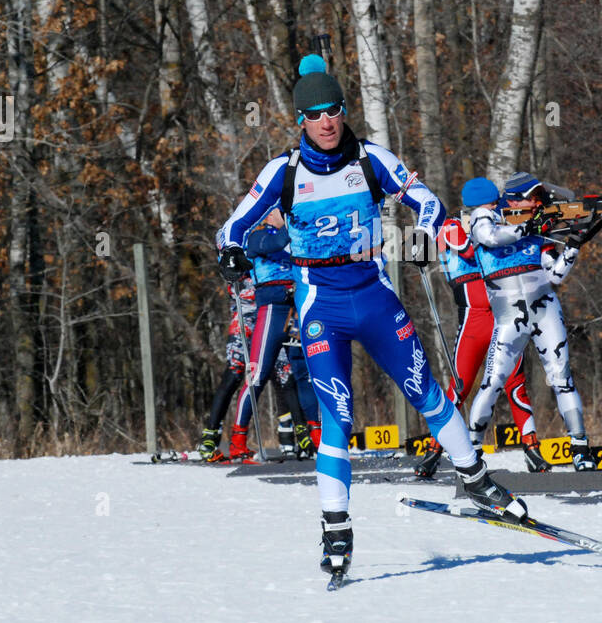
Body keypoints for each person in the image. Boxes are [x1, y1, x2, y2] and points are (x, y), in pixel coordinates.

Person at [216, 54, 527, 581]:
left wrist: (431, 224)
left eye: (334, 109)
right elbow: (232, 227)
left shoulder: (371, 161)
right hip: (321, 307)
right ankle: (336, 526)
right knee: (338, 417)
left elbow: (424, 199)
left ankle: (475, 478)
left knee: (426, 391)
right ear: (300, 120)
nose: (327, 121)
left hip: (374, 296)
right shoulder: (283, 172)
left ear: (343, 110)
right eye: (314, 114)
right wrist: (231, 251)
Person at [464, 173, 602, 471]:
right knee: (493, 382)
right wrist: (529, 226)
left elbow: (556, 275)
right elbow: (490, 237)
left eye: (539, 196)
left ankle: (580, 447)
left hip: (546, 310)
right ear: (512, 200)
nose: (536, 201)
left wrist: (575, 243)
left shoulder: (539, 228)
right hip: (508, 318)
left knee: (562, 379)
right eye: (530, 196)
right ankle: (471, 452)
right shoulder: (484, 218)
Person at [413, 211, 542, 477]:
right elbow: (466, 249)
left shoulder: (499, 229)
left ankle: (532, 448)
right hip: (473, 321)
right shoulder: (451, 226)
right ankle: (434, 450)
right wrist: (417, 245)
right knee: (458, 388)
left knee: (515, 384)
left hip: (503, 317)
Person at [225, 208, 320, 460]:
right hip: (272, 306)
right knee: (257, 373)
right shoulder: (256, 236)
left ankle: (318, 437)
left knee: (304, 372)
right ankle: (237, 440)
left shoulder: (295, 234)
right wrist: (287, 225)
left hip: (297, 303)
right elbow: (278, 242)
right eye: (279, 211)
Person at [196, 277, 258, 463]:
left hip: (274, 312)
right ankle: (210, 436)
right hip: (245, 317)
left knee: (283, 373)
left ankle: (295, 437)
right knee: (234, 373)